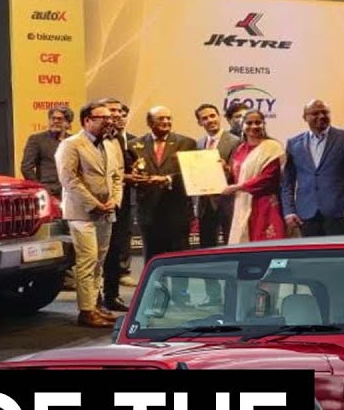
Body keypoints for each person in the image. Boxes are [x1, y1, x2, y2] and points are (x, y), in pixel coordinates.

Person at [55, 101, 122, 327]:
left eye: (110, 118)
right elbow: (69, 179)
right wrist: (94, 203)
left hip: (107, 212)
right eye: (103, 118)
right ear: (87, 120)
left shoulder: (112, 144)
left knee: (99, 262)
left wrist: (115, 200)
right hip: (81, 213)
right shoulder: (70, 144)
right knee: (87, 260)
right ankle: (86, 311)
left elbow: (117, 175)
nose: (109, 122)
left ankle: (95, 306)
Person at [280, 99, 344, 236]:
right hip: (306, 214)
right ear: (305, 117)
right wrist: (289, 211)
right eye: (315, 113)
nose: (321, 116)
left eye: (325, 112)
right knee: (312, 251)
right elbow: (287, 182)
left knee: (340, 250)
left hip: (340, 213)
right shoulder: (294, 143)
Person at [133, 106, 197, 262]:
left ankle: (179, 280)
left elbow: (191, 174)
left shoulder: (187, 143)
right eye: (161, 118)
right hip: (148, 212)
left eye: (169, 118)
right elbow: (128, 173)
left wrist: (168, 179)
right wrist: (133, 177)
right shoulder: (133, 145)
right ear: (149, 122)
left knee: (179, 259)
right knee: (152, 259)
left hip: (177, 211)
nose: (166, 121)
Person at [223, 111, 287, 243]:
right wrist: (226, 169)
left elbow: (268, 178)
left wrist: (238, 187)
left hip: (265, 204)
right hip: (242, 203)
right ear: (242, 125)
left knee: (265, 244)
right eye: (249, 123)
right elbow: (238, 175)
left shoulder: (272, 147)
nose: (254, 126)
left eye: (258, 122)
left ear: (264, 124)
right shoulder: (240, 149)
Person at [99, 97, 136, 312]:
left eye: (120, 112)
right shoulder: (86, 140)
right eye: (112, 110)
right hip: (96, 204)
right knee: (97, 254)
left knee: (115, 251)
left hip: (119, 203)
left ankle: (112, 296)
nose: (117, 115)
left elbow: (120, 173)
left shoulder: (121, 140)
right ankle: (93, 300)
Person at [193, 103, 241, 247]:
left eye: (212, 116)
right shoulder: (199, 144)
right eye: (205, 118)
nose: (210, 120)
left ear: (219, 117)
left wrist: (227, 168)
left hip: (228, 201)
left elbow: (239, 172)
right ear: (199, 122)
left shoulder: (236, 141)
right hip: (205, 203)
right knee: (206, 246)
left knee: (231, 244)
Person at [19, 106, 73, 199]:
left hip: (71, 193)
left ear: (67, 123)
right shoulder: (37, 139)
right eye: (53, 118)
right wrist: (40, 188)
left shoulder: (73, 141)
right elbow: (26, 168)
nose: (55, 121)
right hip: (48, 192)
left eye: (59, 119)